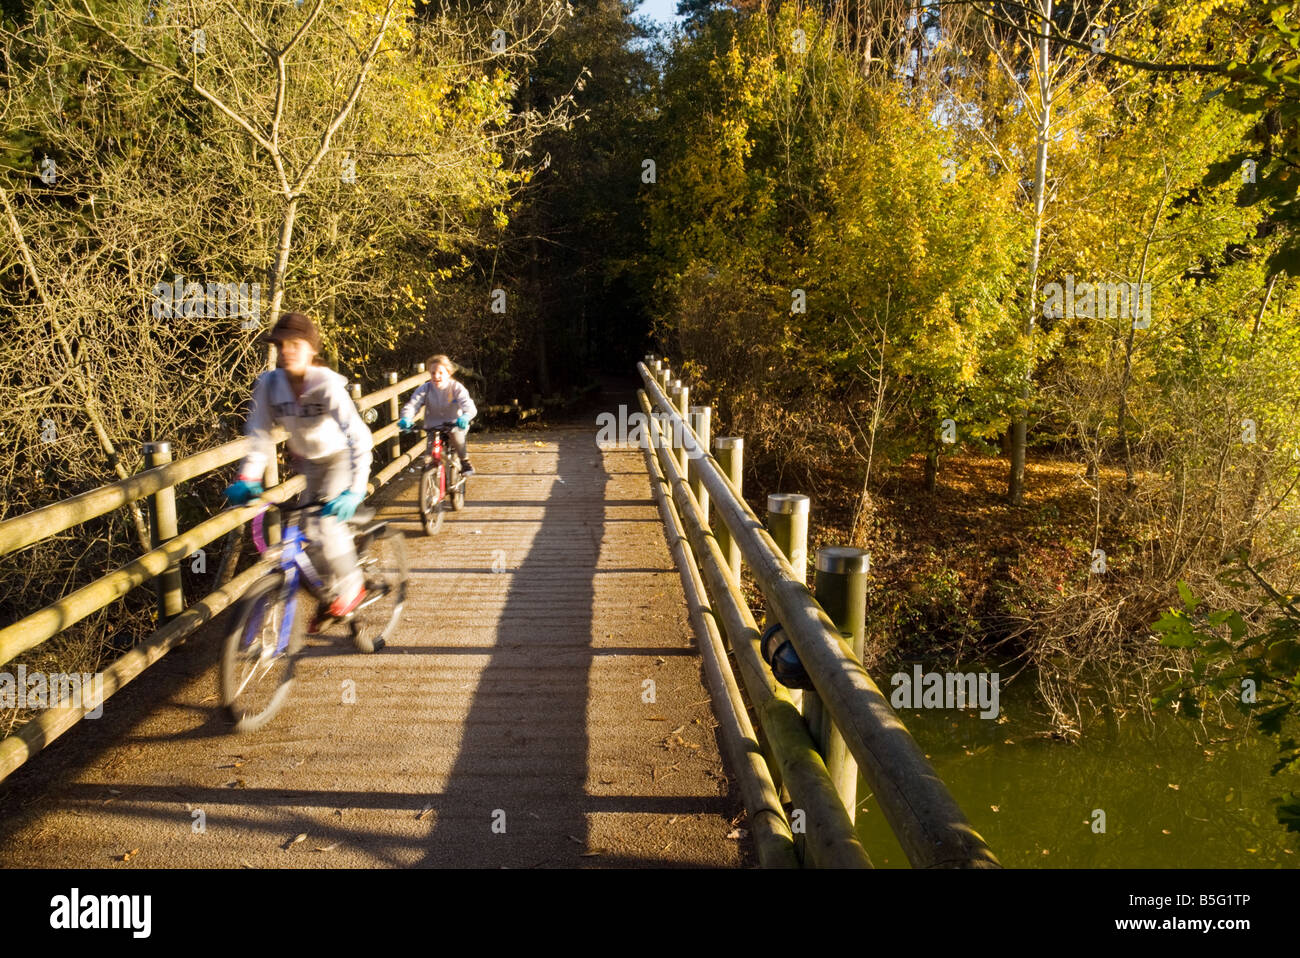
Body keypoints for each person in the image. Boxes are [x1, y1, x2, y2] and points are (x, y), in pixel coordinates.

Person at [223, 312, 373, 632]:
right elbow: (259, 433)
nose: (287, 350)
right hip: (307, 463)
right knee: (307, 531)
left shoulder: (327, 385)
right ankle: (329, 594)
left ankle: (352, 587)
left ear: (311, 349)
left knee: (327, 527)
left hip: (338, 458)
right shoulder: (269, 384)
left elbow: (360, 437)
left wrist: (356, 489)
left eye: (295, 344)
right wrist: (247, 478)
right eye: (281, 345)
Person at [398, 354, 477, 476]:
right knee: (429, 456)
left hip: (454, 424)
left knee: (457, 438)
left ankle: (465, 461)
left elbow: (469, 405)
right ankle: (429, 481)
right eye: (433, 373)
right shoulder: (426, 388)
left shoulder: (456, 387)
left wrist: (466, 416)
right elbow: (413, 404)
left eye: (440, 372)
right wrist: (406, 417)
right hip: (433, 426)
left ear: (449, 373)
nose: (436, 376)